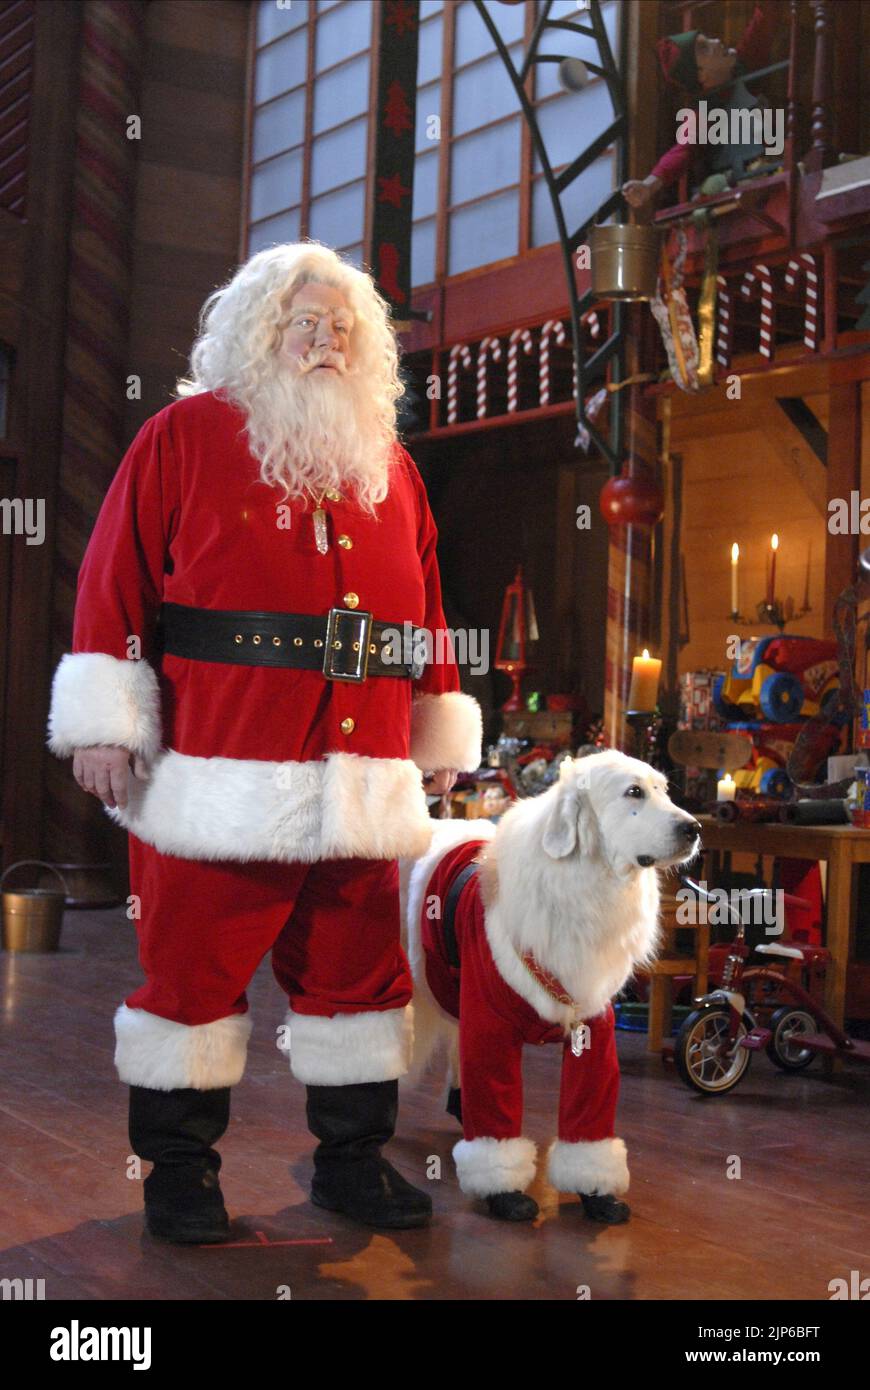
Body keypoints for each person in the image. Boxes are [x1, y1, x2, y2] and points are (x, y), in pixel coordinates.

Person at [46, 241, 483, 1242]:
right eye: (305, 324)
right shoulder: (183, 436)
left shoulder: (394, 468)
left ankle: (352, 1163)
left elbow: (426, 610)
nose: (326, 342)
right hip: (217, 764)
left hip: (362, 770)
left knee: (361, 977)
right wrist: (106, 721)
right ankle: (182, 1174)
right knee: (193, 972)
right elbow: (113, 578)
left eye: (342, 329)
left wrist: (436, 715)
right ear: (258, 334)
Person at [622, 1, 785, 214]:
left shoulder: (744, 63)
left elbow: (764, 21)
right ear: (702, 76)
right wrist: (649, 184)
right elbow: (684, 149)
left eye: (707, 39)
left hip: (776, 164)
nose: (717, 41)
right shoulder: (705, 111)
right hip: (744, 178)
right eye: (705, 47)